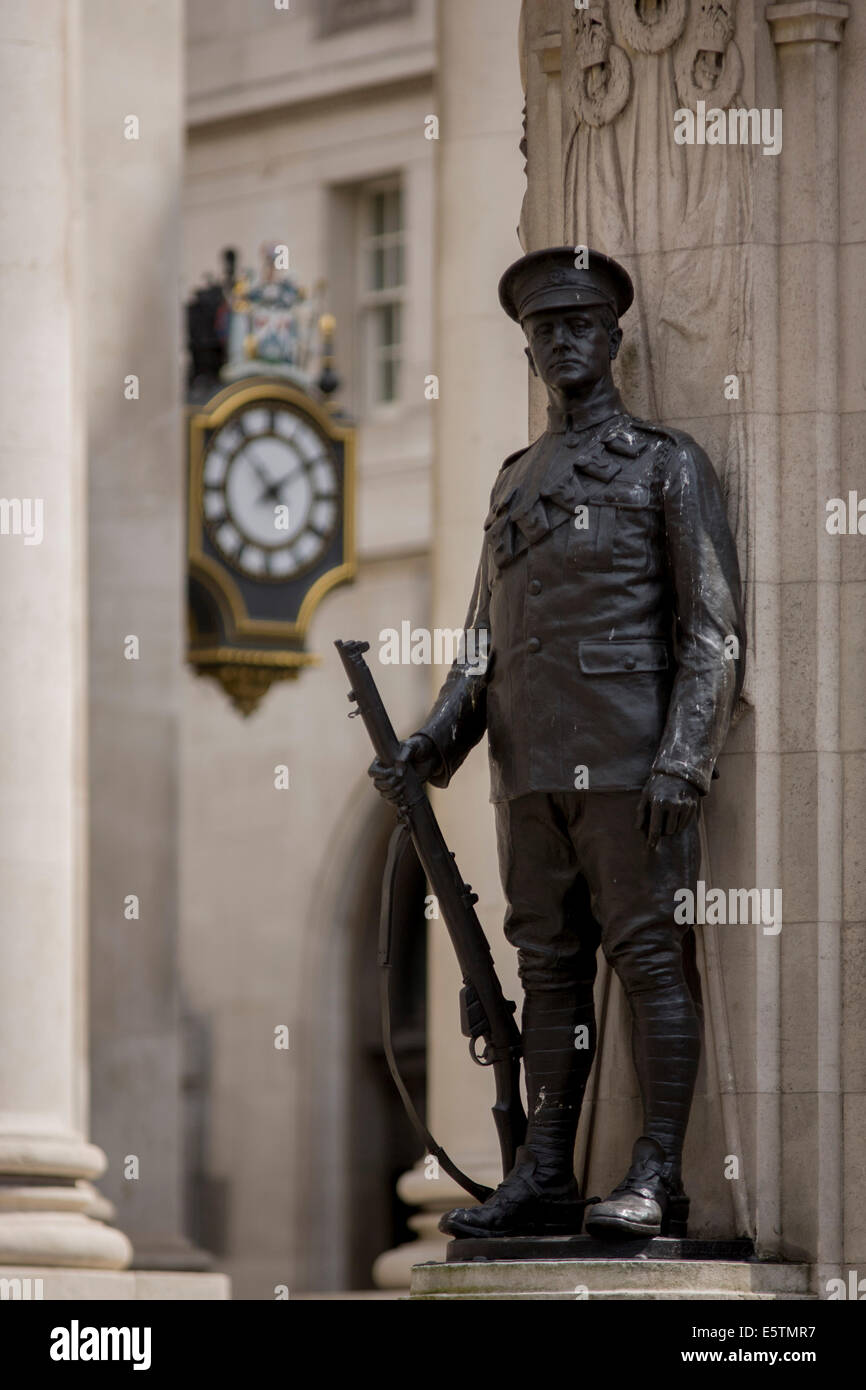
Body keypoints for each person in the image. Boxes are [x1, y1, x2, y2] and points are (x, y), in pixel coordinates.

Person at [370, 246, 745, 1240]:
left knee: (650, 959)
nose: (561, 341)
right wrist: (429, 744)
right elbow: (477, 646)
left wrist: (682, 756)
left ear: (612, 337)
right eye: (544, 330)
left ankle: (655, 1173)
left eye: (577, 324)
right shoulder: (512, 481)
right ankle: (545, 1169)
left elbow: (710, 631)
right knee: (545, 971)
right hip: (525, 765)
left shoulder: (665, 462)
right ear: (529, 349)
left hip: (631, 761)